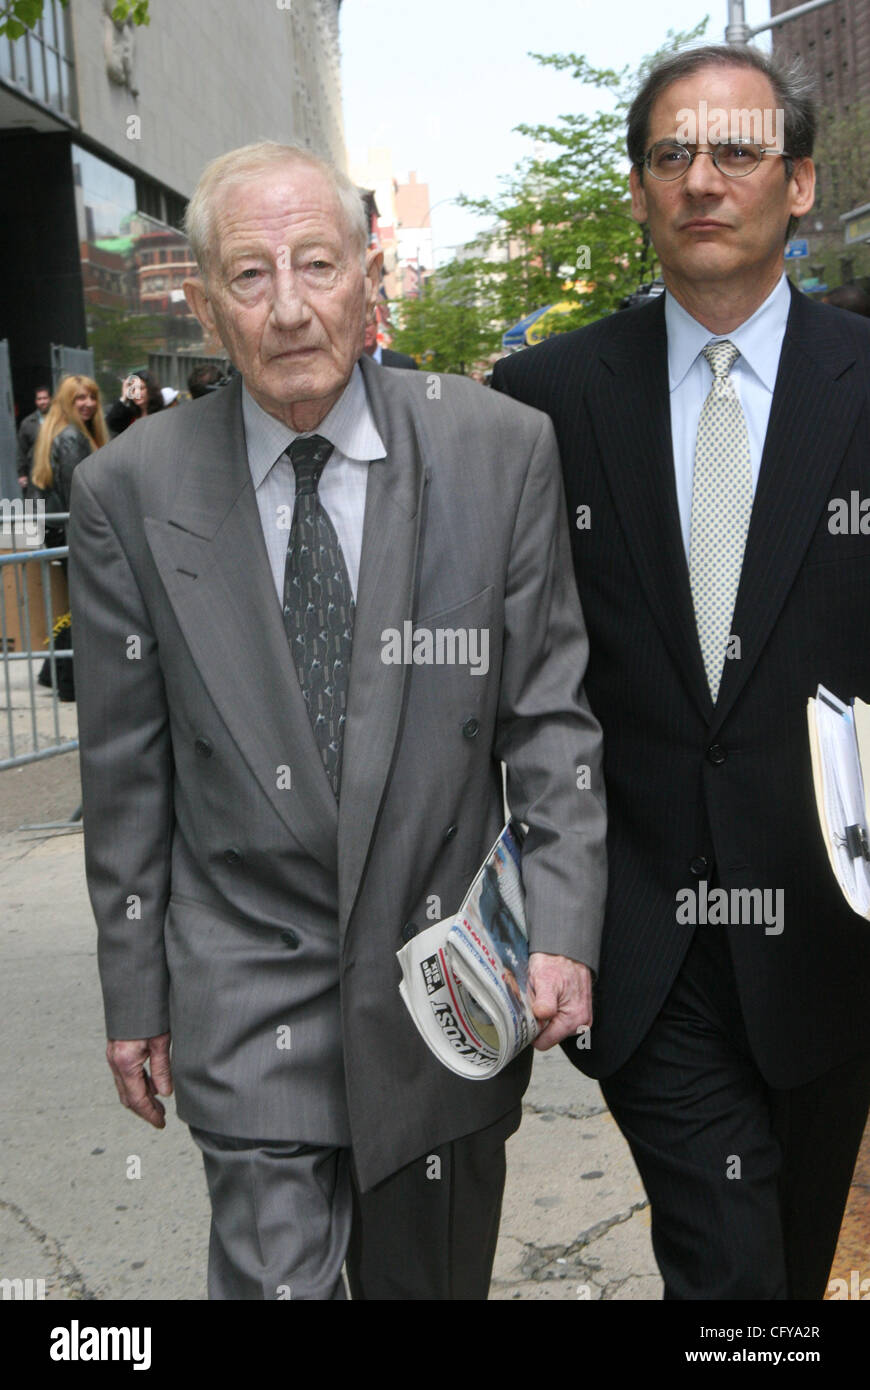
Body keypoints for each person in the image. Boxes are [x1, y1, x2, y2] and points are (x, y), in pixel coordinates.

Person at [68, 140, 607, 1301]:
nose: (289, 308)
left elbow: (549, 719)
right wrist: (135, 992)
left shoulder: (496, 450)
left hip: (443, 983)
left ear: (371, 277)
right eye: (250, 277)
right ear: (207, 306)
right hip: (245, 987)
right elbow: (125, 772)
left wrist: (561, 922)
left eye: (317, 265)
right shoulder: (128, 491)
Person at [493, 42, 870, 1301]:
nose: (703, 179)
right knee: (731, 1264)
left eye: (737, 151)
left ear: (801, 183)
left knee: (791, 1265)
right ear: (642, 191)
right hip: (644, 940)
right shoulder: (541, 403)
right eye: (672, 155)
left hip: (832, 939)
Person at [29, 375, 107, 702]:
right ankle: (65, 679)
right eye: (79, 398)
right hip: (76, 535)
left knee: (77, 607)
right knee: (84, 608)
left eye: (91, 396)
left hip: (63, 534)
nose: (88, 403)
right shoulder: (73, 438)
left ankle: (55, 674)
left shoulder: (60, 434)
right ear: (67, 402)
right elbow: (80, 496)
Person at [105, 369, 164, 435]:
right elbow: (112, 423)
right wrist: (124, 397)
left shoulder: (162, 413)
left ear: (151, 389)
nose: (136, 393)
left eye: (141, 388)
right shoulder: (130, 415)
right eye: (133, 389)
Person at [16, 384, 51, 490]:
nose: (42, 402)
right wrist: (22, 474)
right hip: (35, 472)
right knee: (33, 505)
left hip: (55, 472)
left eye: (45, 398)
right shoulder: (27, 423)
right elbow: (21, 451)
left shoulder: (59, 420)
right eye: (39, 399)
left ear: (50, 399)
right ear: (36, 401)